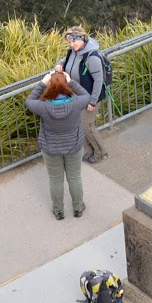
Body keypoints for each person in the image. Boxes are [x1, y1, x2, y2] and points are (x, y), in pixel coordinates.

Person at [24, 71, 93, 219]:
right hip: (74, 146)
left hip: (51, 149)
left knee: (55, 180)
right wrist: (71, 81)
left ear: (50, 85)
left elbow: (29, 102)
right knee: (74, 178)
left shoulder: (43, 106)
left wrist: (42, 83)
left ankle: (58, 211)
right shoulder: (76, 103)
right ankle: (78, 208)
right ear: (66, 85)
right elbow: (87, 96)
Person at [54, 26, 107, 163]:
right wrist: (60, 64)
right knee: (80, 124)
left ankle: (101, 152)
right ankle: (90, 151)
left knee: (87, 125)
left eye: (74, 42)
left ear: (82, 39)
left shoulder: (92, 57)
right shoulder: (73, 51)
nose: (72, 45)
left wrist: (93, 102)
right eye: (70, 42)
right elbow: (66, 61)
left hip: (90, 97)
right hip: (78, 96)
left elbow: (98, 80)